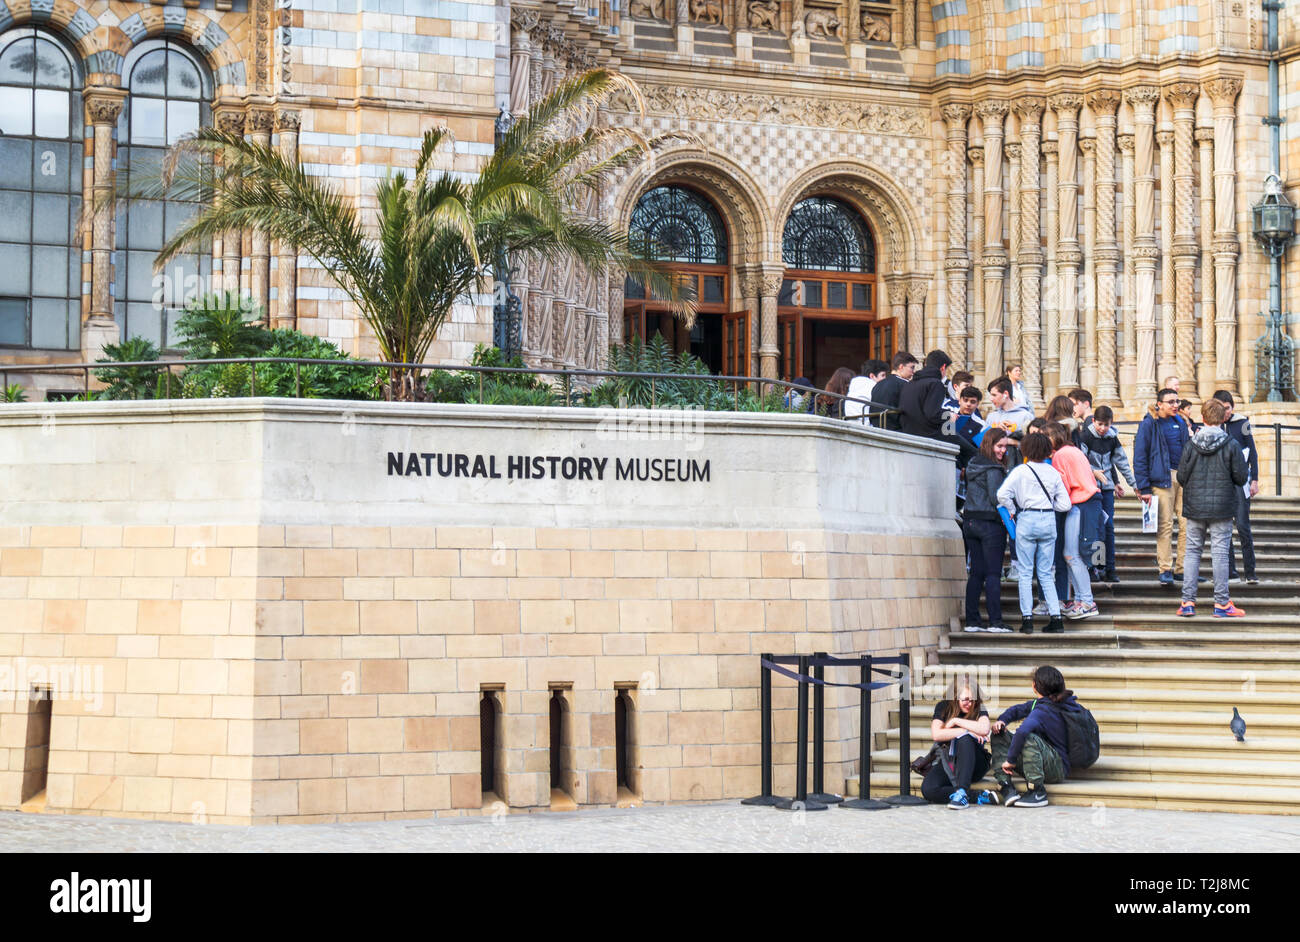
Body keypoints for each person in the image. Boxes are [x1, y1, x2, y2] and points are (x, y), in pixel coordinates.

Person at [1176, 398, 1249, 618]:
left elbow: (1181, 476)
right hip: (1222, 507)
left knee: (1192, 553)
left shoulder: (1191, 445)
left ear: (1204, 417)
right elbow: (1241, 476)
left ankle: (1187, 602)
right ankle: (1221, 603)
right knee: (1219, 554)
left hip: (1195, 506)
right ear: (1223, 417)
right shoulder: (1231, 444)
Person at [997, 431, 1070, 634]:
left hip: (1026, 519)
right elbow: (1065, 504)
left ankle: (1027, 620)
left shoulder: (1021, 471)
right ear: (1048, 450)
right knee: (1046, 573)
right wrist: (1048, 506)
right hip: (1047, 520)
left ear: (1025, 450)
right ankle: (1056, 618)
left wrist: (1013, 509)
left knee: (1025, 572)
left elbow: (1002, 494)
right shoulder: (1053, 472)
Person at [989, 665, 1087, 807]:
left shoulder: (1043, 711)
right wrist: (1002, 720)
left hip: (1056, 768)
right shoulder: (1041, 704)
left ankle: (1037, 791)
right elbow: (1017, 710)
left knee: (1028, 736)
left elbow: (1022, 732)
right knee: (998, 734)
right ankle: (1006, 786)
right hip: (1043, 761)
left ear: (1035, 686)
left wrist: (1010, 760)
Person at [1134, 388, 1192, 586]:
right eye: (1171, 402)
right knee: (1165, 525)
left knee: (1186, 525)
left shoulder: (1180, 423)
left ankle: (1182, 569)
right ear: (1159, 404)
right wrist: (1144, 488)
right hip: (1161, 480)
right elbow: (1140, 456)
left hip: (1183, 479)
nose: (1176, 405)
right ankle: (1165, 569)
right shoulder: (1149, 424)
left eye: (1177, 401)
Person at [1047, 422, 1101, 619]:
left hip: (1081, 503)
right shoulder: (1073, 451)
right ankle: (1081, 600)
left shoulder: (1061, 455)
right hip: (1087, 502)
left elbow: (1063, 486)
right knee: (1074, 554)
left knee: (1071, 555)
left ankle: (1086, 601)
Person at [1079, 404, 1138, 584]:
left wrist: (1133, 485)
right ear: (1094, 421)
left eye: (1106, 425)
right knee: (1095, 528)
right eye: (1100, 424)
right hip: (1090, 488)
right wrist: (1092, 472)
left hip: (1106, 489)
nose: (1103, 429)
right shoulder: (1086, 436)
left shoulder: (1112, 438)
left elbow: (1121, 463)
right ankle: (1095, 566)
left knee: (1108, 527)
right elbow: (1080, 462)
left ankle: (1109, 567)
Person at [962, 429, 1012, 633]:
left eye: (1005, 447)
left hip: (970, 522)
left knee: (976, 573)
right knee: (992, 573)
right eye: (999, 446)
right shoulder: (994, 469)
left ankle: (972, 621)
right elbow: (996, 498)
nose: (1002, 450)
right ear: (990, 445)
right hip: (990, 524)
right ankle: (995, 621)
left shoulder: (973, 464)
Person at [922, 677, 997, 809]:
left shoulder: (978, 708)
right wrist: (965, 730)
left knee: (965, 739)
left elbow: (985, 728)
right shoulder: (943, 707)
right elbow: (937, 734)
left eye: (973, 699)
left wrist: (956, 722)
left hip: (975, 764)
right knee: (928, 789)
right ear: (955, 697)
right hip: (950, 761)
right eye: (965, 699)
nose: (970, 703)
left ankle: (962, 792)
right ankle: (976, 795)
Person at [1213, 390, 1260, 584]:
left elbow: (1253, 452)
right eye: (1221, 409)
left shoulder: (1243, 423)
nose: (1225, 413)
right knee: (1224, 530)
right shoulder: (1213, 425)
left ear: (1232, 407)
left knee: (1243, 526)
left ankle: (1250, 572)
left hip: (1240, 482)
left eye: (1227, 408)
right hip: (1221, 483)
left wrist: (1255, 479)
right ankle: (1231, 571)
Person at [899, 349, 953, 440]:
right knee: (971, 450)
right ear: (943, 367)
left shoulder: (910, 383)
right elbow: (932, 414)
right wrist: (950, 415)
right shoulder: (935, 383)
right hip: (928, 435)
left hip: (908, 432)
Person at [985, 377, 1035, 462]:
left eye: (994, 395)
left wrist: (1013, 442)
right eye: (991, 395)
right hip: (992, 464)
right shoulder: (991, 417)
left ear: (1006, 394)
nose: (991, 399)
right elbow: (981, 442)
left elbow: (1033, 446)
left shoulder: (1025, 416)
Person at [872, 351, 917, 431]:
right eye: (912, 367)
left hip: (876, 428)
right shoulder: (906, 384)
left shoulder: (878, 384)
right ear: (901, 367)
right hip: (897, 430)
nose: (913, 372)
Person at [844, 358, 888, 425]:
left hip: (852, 423)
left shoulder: (856, 385)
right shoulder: (872, 387)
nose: (885, 378)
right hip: (867, 426)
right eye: (883, 375)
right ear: (872, 376)